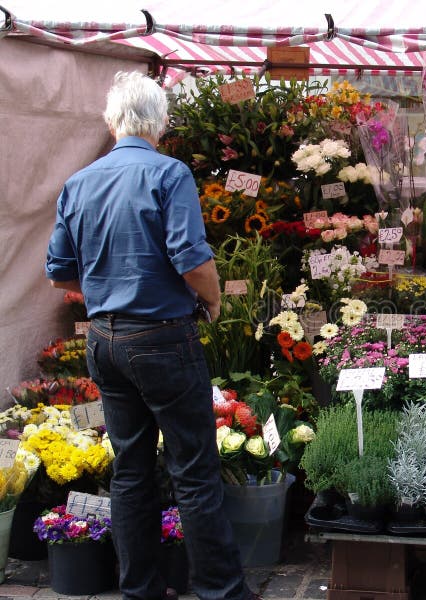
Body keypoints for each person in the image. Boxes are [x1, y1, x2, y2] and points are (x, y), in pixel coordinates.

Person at [45, 71, 254, 600]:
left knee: (131, 472)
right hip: (162, 338)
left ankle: (140, 590)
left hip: (105, 340)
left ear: (112, 120)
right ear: (159, 122)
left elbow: (58, 272)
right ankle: (220, 591)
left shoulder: (80, 181)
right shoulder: (169, 173)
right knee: (194, 471)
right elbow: (192, 258)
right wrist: (212, 300)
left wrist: (104, 286)